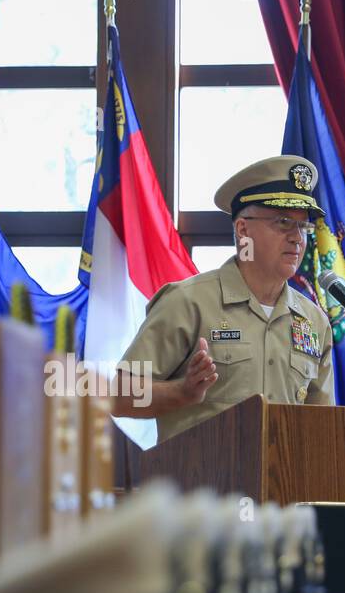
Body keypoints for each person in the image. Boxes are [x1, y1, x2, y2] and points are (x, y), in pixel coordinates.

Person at [111, 155, 333, 440]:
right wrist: (182, 392)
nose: (297, 238)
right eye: (283, 222)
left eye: (304, 227)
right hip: (200, 482)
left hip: (283, 483)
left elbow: (323, 425)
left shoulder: (314, 321)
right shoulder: (188, 303)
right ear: (243, 230)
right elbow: (119, 396)